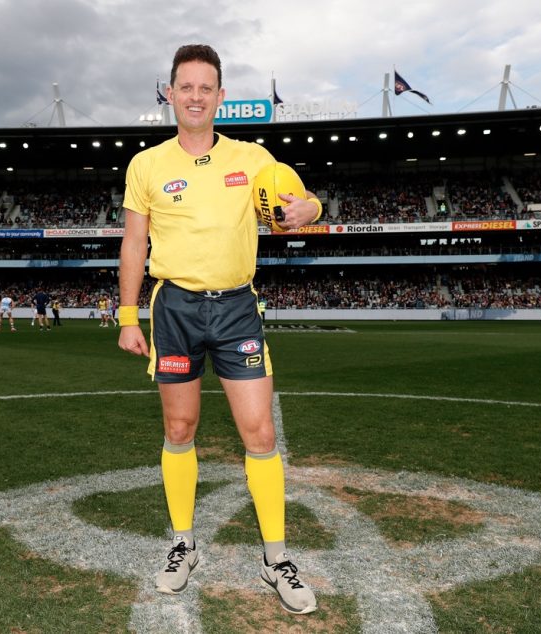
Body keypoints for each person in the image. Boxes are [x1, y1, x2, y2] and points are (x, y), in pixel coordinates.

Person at [117, 44, 322, 615]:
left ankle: (276, 558)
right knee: (180, 428)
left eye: (207, 87)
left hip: (236, 310)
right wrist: (126, 314)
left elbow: (298, 203)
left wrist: (311, 210)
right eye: (186, 86)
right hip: (173, 310)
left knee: (259, 434)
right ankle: (182, 545)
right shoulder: (147, 164)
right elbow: (134, 242)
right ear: (171, 94)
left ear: (221, 97)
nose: (196, 96)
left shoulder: (254, 157)